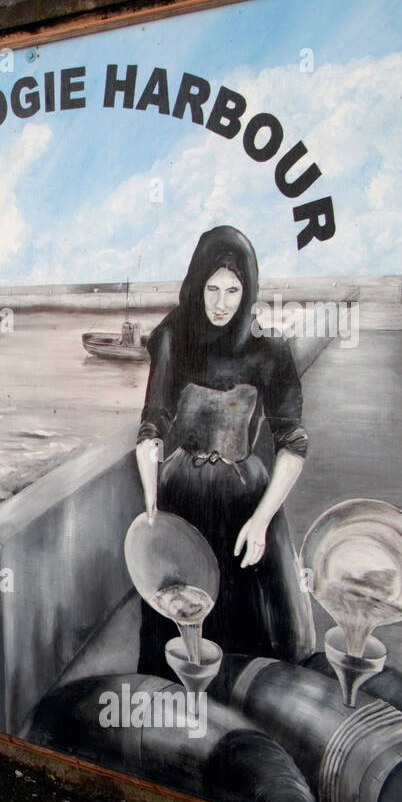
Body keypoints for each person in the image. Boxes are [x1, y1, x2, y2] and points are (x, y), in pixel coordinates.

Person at [134, 225, 315, 676]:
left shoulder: (270, 351)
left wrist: (262, 519)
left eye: (233, 290)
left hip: (244, 498)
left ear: (248, 289)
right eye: (211, 288)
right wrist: (152, 500)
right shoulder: (174, 335)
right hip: (183, 495)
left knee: (247, 622)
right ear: (196, 285)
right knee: (176, 616)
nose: (220, 302)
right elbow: (152, 423)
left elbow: (292, 442)